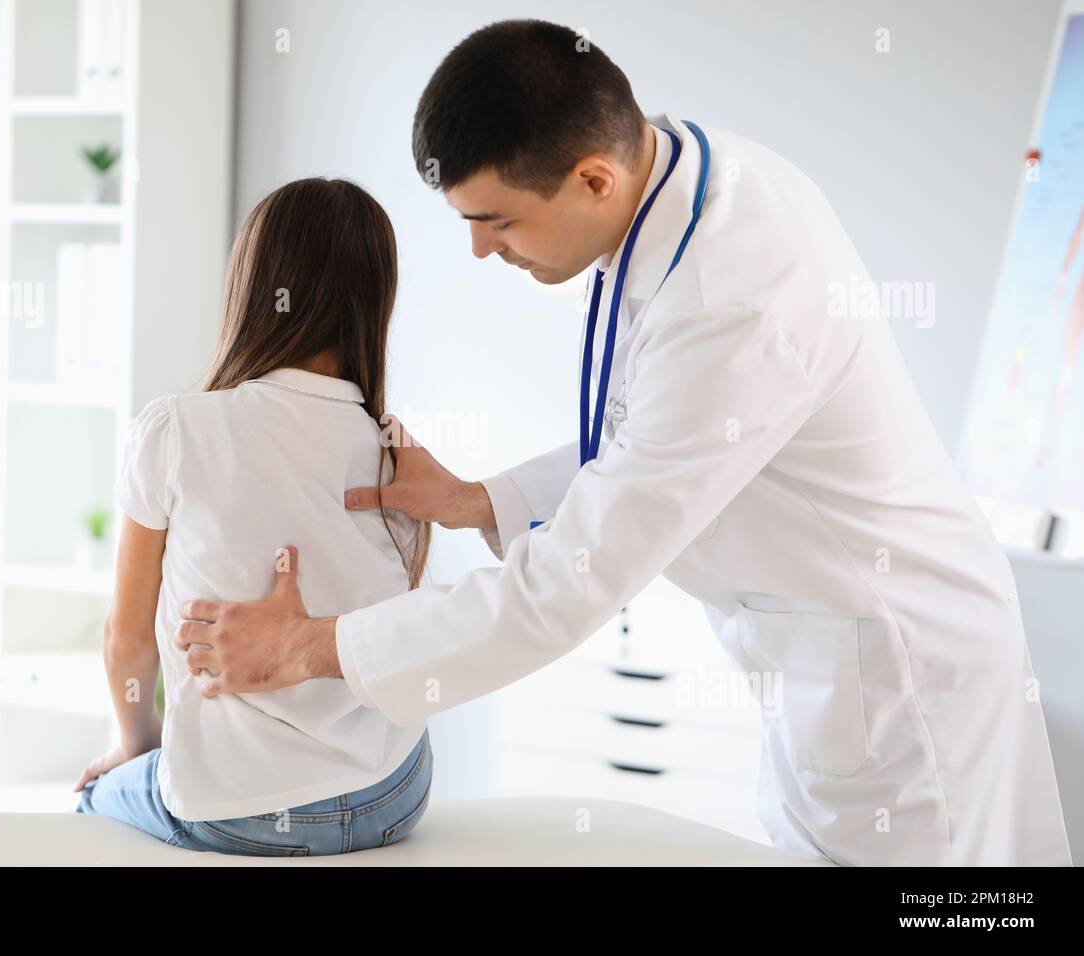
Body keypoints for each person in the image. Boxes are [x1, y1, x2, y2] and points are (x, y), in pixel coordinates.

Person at [175, 20, 1072, 866]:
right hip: (828, 661)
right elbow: (655, 432)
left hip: (909, 688)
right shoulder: (666, 181)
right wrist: (477, 501)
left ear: (592, 180)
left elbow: (567, 586)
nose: (482, 253)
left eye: (498, 221)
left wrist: (307, 648)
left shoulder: (731, 293)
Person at [74, 178, 434, 857]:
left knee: (92, 800)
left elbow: (126, 641)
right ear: (375, 301)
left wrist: (135, 750)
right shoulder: (399, 456)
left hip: (235, 807)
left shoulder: (175, 430)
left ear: (252, 285)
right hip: (392, 791)